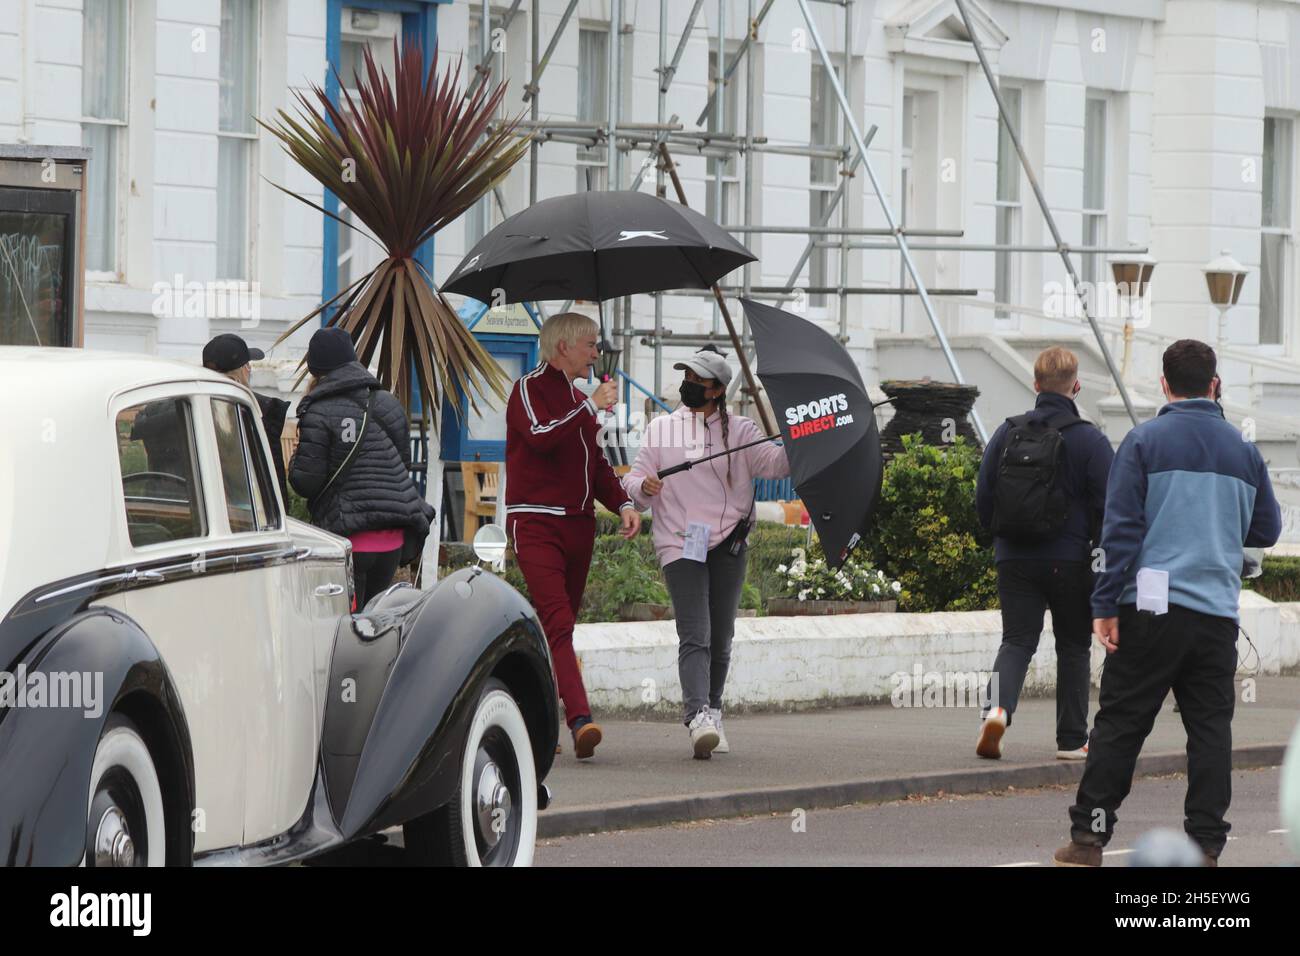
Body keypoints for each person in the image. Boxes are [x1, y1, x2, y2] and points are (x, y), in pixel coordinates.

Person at [1054, 340, 1282, 867]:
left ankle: (1088, 841)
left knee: (1120, 726)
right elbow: (1266, 527)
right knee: (1209, 732)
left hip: (1149, 611)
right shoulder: (1244, 453)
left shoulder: (1142, 442)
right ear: (1213, 385)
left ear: (1164, 385)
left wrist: (1105, 604)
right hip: (1216, 615)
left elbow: (1122, 531)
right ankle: (1204, 847)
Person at [623, 348, 789, 759]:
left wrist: (795, 434)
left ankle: (714, 709)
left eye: (698, 380)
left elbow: (776, 466)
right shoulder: (662, 429)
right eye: (687, 377)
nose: (690, 385)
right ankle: (696, 714)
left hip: (730, 541)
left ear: (717, 390)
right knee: (694, 632)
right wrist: (642, 490)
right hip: (680, 541)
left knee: (721, 635)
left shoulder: (744, 431)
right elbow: (635, 477)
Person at [504, 312, 641, 759]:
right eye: (590, 344)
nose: (597, 353)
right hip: (537, 521)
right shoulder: (529, 388)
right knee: (559, 624)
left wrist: (622, 502)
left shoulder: (579, 398)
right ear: (563, 346)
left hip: (578, 524)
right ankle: (580, 718)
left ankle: (533, 720)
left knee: (555, 628)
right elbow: (541, 437)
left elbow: (594, 463)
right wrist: (588, 407)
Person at [974, 346, 1115, 760]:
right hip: (1070, 560)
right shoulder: (1090, 439)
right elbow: (1112, 507)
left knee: (1017, 640)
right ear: (1076, 386)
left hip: (1014, 556)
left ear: (1035, 385)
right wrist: (1100, 557)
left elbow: (984, 496)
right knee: (1072, 646)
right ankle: (1072, 740)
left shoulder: (1006, 432)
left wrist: (1001, 541)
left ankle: (996, 710)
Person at [288, 327, 432, 608]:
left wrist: (295, 458)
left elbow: (306, 483)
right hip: (392, 540)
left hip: (350, 538)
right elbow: (402, 465)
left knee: (345, 626)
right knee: (374, 624)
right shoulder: (388, 403)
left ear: (315, 368)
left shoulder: (318, 410)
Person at [202, 333, 290, 503]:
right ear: (244, 369)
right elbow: (272, 477)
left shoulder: (191, 404)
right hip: (253, 515)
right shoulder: (258, 410)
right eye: (247, 364)